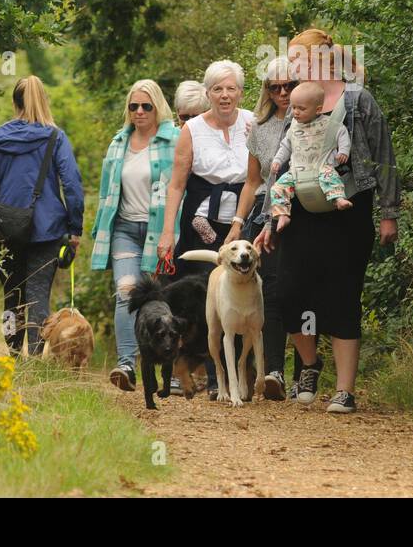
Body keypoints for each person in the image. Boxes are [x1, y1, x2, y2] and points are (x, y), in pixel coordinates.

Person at [255, 29, 399, 414]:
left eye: (298, 59)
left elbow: (384, 156)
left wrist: (389, 212)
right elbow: (281, 164)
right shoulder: (300, 100)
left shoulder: (358, 100)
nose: (294, 66)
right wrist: (271, 219)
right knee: (289, 292)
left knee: (342, 297)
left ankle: (344, 390)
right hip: (300, 212)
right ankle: (311, 365)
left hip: (346, 209)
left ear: (321, 59)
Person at [0, 76, 84, 358]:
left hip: (4, 231)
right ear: (44, 100)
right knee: (37, 295)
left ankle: (13, 355)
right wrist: (74, 228)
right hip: (46, 229)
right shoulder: (55, 137)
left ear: (14, 102)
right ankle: (34, 356)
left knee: (12, 296)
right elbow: (71, 184)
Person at [160, 59, 255, 398]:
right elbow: (176, 185)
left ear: (241, 93)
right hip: (201, 221)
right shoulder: (192, 129)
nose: (225, 95)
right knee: (209, 296)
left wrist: (240, 223)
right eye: (217, 89)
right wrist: (167, 233)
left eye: (231, 89)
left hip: (244, 216)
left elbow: (257, 178)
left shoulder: (252, 123)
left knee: (247, 292)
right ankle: (216, 379)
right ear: (208, 93)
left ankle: (247, 376)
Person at [88, 80, 180, 392]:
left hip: (159, 231)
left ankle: (159, 361)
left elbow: (182, 187)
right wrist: (99, 227)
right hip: (125, 228)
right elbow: (106, 192)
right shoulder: (118, 143)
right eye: (133, 106)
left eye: (146, 106)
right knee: (125, 293)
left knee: (154, 298)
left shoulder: (175, 140)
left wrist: (172, 232)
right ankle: (126, 364)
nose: (139, 112)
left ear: (157, 107)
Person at [229, 56, 296, 399]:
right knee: (271, 291)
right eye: (276, 87)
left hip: (308, 213)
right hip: (266, 217)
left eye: (290, 85)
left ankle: (304, 374)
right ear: (267, 91)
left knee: (302, 290)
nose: (283, 92)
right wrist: (237, 223)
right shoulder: (260, 127)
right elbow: (251, 180)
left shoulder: (316, 119)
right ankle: (273, 371)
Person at [267, 81, 353, 231]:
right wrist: (277, 161)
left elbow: (342, 133)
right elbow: (286, 146)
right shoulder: (293, 126)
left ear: (318, 109)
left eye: (301, 108)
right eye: (293, 107)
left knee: (330, 176)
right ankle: (282, 215)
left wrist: (343, 151)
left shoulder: (328, 123)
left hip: (321, 166)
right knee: (278, 187)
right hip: (296, 171)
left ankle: (338, 198)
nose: (296, 112)